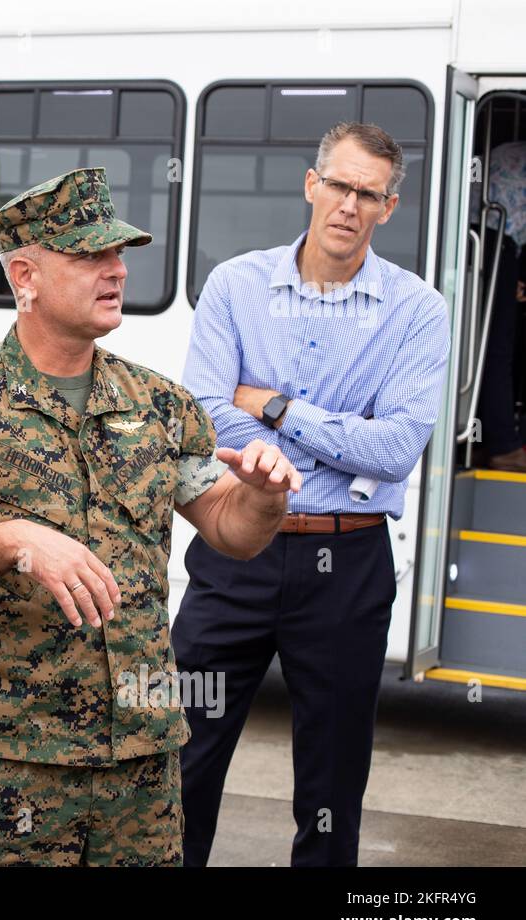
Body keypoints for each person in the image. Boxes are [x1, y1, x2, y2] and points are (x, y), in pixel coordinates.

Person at [0, 167, 301, 866]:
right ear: (26, 276)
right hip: (7, 771)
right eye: (88, 255)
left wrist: (262, 497)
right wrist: (15, 540)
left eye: (118, 254)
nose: (116, 271)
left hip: (140, 766)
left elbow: (231, 531)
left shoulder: (162, 405)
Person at [176, 122, 450, 866]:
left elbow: (396, 449)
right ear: (311, 184)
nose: (349, 206)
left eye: (370, 194)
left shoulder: (417, 310)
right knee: (180, 756)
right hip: (234, 551)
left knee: (331, 783)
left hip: (346, 563)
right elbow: (202, 411)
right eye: (339, 186)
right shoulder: (234, 285)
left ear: (389, 207)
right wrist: (337, 429)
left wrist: (276, 408)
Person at [474, 140, 526, 472]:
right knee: (498, 349)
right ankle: (504, 446)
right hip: (500, 247)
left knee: (479, 344)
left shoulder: (504, 152)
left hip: (477, 240)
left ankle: (480, 439)